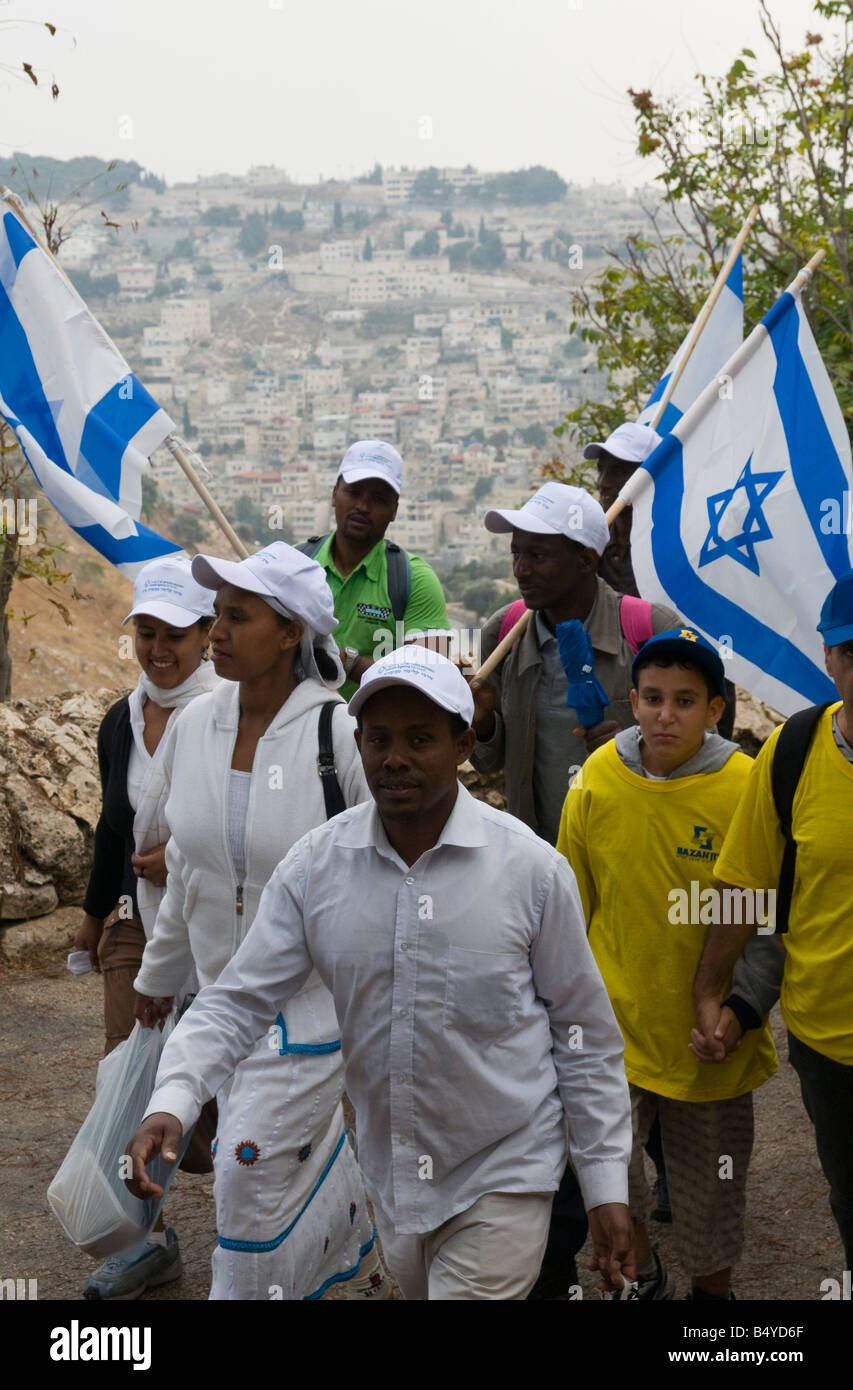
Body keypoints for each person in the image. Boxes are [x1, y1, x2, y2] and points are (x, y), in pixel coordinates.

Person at [125, 646, 635, 1301]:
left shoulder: (529, 873)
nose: (394, 759)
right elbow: (237, 1001)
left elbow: (583, 1035)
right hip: (392, 1180)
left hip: (505, 1169)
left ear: (461, 744)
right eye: (378, 739)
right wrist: (174, 1100)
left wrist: (603, 1184)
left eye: (419, 739)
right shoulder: (318, 869)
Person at [131, 541, 388, 1301]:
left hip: (313, 1007)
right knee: (283, 1154)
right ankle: (353, 1238)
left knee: (242, 1169)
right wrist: (159, 977)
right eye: (215, 615)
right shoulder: (194, 727)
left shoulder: (336, 735)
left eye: (236, 617)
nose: (215, 632)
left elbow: (386, 862)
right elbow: (190, 873)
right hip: (219, 1003)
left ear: (289, 633)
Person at [557, 628, 777, 1300]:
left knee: (709, 1195)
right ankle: (642, 1268)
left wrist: (738, 1012)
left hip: (707, 1044)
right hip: (610, 1036)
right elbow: (567, 902)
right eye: (651, 698)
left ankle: (711, 1296)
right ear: (631, 700)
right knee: (607, 1175)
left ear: (715, 710)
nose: (664, 715)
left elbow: (766, 921)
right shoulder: (598, 775)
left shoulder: (746, 787)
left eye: (685, 701)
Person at [695, 569, 853, 1274]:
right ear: (830, 657)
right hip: (829, 1045)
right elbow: (740, 886)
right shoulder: (791, 754)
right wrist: (713, 992)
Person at [74, 553, 218, 1300]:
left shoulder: (230, 716)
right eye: (146, 633)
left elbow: (250, 829)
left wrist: (186, 855)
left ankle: (269, 1236)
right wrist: (91, 919)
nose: (159, 650)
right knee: (125, 1083)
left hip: (218, 929)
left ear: (207, 633)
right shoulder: (120, 721)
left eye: (176, 634)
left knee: (216, 1098)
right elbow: (112, 828)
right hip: (139, 922)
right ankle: (147, 1241)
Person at [470, 481, 681, 846]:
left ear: (585, 559)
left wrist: (634, 752)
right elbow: (488, 764)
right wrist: (484, 723)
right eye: (516, 554)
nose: (520, 570)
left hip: (628, 855)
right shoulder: (502, 636)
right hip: (537, 859)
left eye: (537, 557)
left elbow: (702, 750)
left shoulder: (651, 632)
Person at [590, 421, 736, 740]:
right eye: (602, 470)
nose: (603, 482)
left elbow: (713, 656)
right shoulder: (594, 550)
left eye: (618, 471)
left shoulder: (687, 548)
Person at [296, 439, 449, 698]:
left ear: (394, 510)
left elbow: (430, 680)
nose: (363, 507)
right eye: (354, 492)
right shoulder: (295, 566)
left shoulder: (417, 581)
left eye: (378, 499)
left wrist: (350, 665)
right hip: (295, 731)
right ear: (334, 494)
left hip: (371, 735)